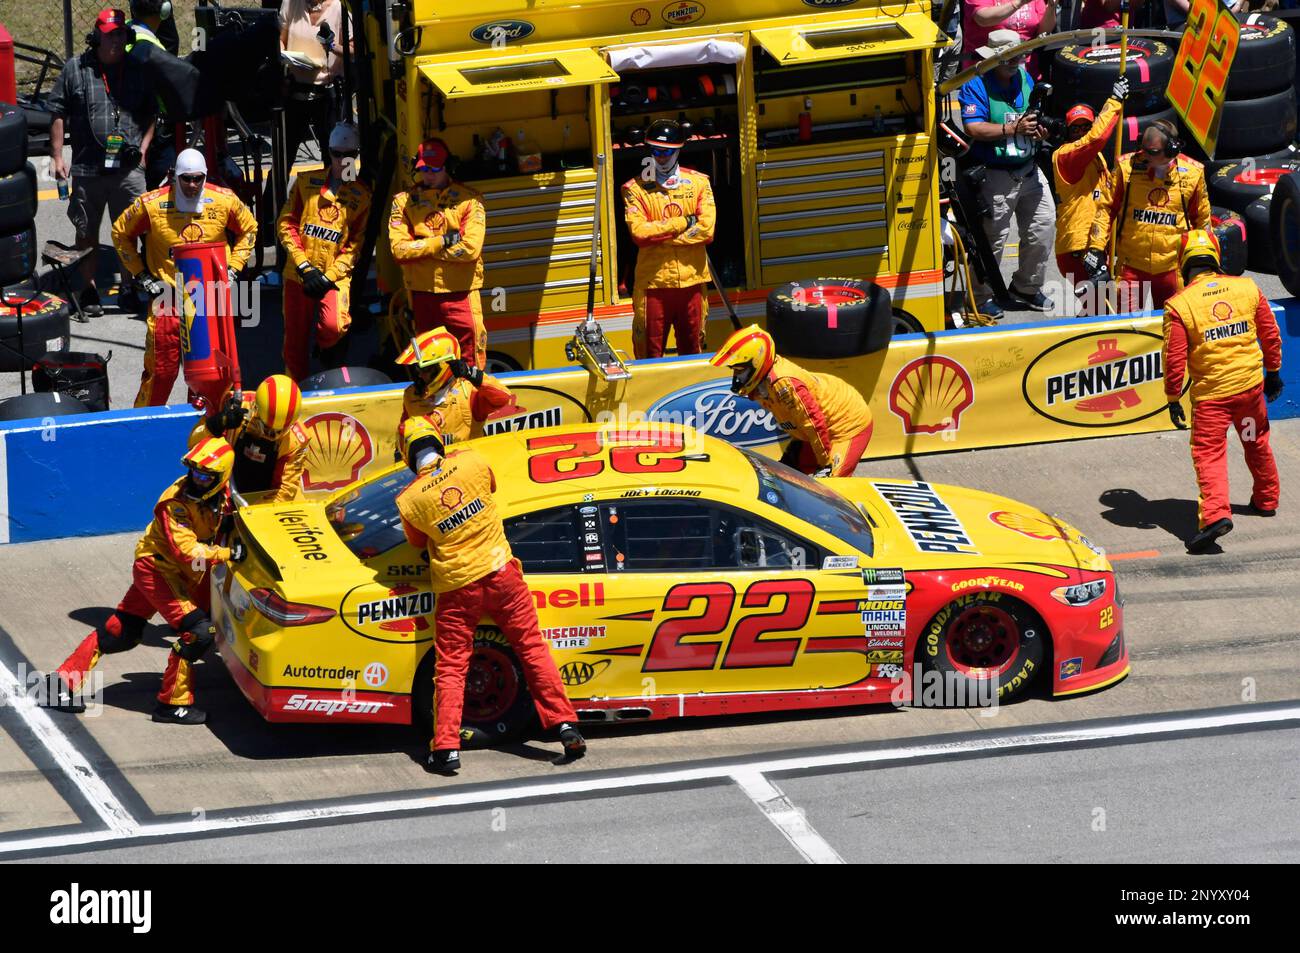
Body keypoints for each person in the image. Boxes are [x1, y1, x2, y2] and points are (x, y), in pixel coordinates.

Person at [394, 417, 587, 774]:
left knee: (451, 666)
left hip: (457, 587)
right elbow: (493, 487)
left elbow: (418, 542)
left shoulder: (408, 500)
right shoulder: (471, 460)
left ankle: (447, 749)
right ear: (440, 441)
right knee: (531, 649)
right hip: (502, 574)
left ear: (407, 456)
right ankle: (564, 725)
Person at [41, 437, 236, 724]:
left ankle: (59, 685)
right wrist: (228, 553)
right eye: (195, 472)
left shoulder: (223, 495)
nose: (198, 479)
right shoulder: (175, 503)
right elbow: (186, 551)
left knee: (121, 632)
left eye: (206, 476)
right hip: (158, 570)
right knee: (199, 631)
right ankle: (172, 704)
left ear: (221, 479)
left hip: (176, 573)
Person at [1162, 230, 1283, 553]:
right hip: (1249, 388)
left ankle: (1215, 515)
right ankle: (1267, 499)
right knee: (1256, 442)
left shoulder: (1179, 305)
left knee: (1209, 455)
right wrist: (1273, 373)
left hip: (1212, 399)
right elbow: (1270, 335)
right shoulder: (1247, 288)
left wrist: (1173, 398)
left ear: (1184, 265)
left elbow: (1173, 360)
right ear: (1216, 258)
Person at [113, 148, 258, 408]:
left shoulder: (224, 200)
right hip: (167, 297)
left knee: (212, 372)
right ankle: (147, 424)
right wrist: (142, 275)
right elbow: (120, 233)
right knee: (161, 371)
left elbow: (250, 228)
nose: (192, 185)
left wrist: (233, 268)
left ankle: (207, 423)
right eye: (186, 178)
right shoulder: (151, 204)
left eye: (198, 178)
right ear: (175, 177)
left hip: (209, 297)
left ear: (205, 177)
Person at [47, 9, 157, 318]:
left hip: (128, 169)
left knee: (130, 231)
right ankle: (88, 289)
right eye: (110, 34)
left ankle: (129, 288)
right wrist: (57, 155)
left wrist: (144, 149)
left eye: (121, 33)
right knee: (86, 234)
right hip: (87, 168)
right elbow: (57, 111)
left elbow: (152, 112)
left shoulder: (137, 69)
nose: (116, 40)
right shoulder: (76, 69)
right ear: (97, 38)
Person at [958, 30, 1056, 319]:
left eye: (1020, 56)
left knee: (1043, 226)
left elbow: (1032, 116)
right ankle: (979, 296)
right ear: (994, 59)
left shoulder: (1025, 78)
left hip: (1029, 170)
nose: (1017, 62)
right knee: (992, 241)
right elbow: (972, 128)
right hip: (996, 176)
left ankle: (1025, 288)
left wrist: (1040, 131)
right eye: (1010, 58)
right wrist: (1012, 130)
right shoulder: (975, 84)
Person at [710, 325, 873, 477]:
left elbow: (814, 423)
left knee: (831, 488)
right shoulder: (762, 383)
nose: (737, 377)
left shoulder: (785, 385)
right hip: (817, 431)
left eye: (740, 370)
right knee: (787, 476)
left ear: (757, 363)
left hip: (848, 426)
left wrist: (825, 464)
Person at [1084, 119, 1211, 313]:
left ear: (1171, 149)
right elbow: (1105, 209)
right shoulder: (1127, 167)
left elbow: (1202, 220)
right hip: (1131, 267)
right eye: (1143, 149)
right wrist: (1095, 248)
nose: (1144, 156)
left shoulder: (1193, 173)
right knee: (1128, 329)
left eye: (1152, 152)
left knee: (1175, 326)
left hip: (1173, 268)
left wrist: (1206, 261)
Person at [277, 122, 373, 380]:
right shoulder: (305, 182)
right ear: (328, 152)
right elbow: (286, 224)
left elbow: (355, 246)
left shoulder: (362, 195)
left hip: (334, 277)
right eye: (336, 153)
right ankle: (295, 395)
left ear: (357, 154)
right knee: (294, 343)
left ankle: (325, 352)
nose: (342, 160)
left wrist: (328, 277)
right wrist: (304, 267)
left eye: (349, 154)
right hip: (298, 274)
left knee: (333, 327)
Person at [621, 119, 717, 359]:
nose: (660, 156)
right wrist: (684, 222)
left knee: (693, 353)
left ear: (677, 150)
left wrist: (662, 236)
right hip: (653, 285)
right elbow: (640, 234)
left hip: (692, 283)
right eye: (654, 150)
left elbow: (707, 230)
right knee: (648, 356)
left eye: (665, 151)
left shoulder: (699, 183)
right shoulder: (635, 189)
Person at [388, 138, 487, 368]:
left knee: (470, 361)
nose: (428, 175)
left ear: (448, 168)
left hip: (461, 294)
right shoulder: (403, 202)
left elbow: (471, 249)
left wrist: (421, 248)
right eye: (423, 169)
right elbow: (398, 250)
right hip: (422, 296)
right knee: (430, 365)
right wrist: (441, 242)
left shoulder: (470, 201)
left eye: (434, 169)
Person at [1052, 80, 1127, 315]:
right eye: (1077, 128)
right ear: (1069, 133)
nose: (1082, 132)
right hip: (1079, 247)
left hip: (1094, 244)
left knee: (1096, 308)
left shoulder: (1097, 159)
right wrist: (1114, 102)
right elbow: (1096, 139)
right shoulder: (1066, 156)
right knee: (1096, 309)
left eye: (1087, 126)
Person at [395, 326, 515, 442]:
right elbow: (405, 435)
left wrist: (471, 373)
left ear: (443, 365)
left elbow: (503, 398)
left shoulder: (468, 394)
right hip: (429, 461)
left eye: (426, 369)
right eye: (418, 369)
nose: (421, 375)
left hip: (467, 460)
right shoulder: (412, 395)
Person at [204, 375, 310, 502]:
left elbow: (286, 490)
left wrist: (258, 513)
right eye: (266, 427)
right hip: (227, 487)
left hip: (269, 496)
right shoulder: (233, 405)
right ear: (256, 409)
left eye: (278, 430)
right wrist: (217, 424)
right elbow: (194, 445)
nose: (271, 435)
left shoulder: (297, 440)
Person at [279, 0, 353, 166]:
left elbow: (353, 50)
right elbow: (280, 38)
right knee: (284, 155)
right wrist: (282, 54)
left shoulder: (339, 8)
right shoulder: (291, 4)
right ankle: (272, 192)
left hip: (328, 92)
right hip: (295, 90)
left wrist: (331, 46)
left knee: (337, 154)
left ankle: (344, 190)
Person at [961, 0, 1055, 77]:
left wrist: (1051, 7)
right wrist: (1019, 3)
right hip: (987, 69)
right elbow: (983, 18)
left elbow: (1043, 31)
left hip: (1025, 69)